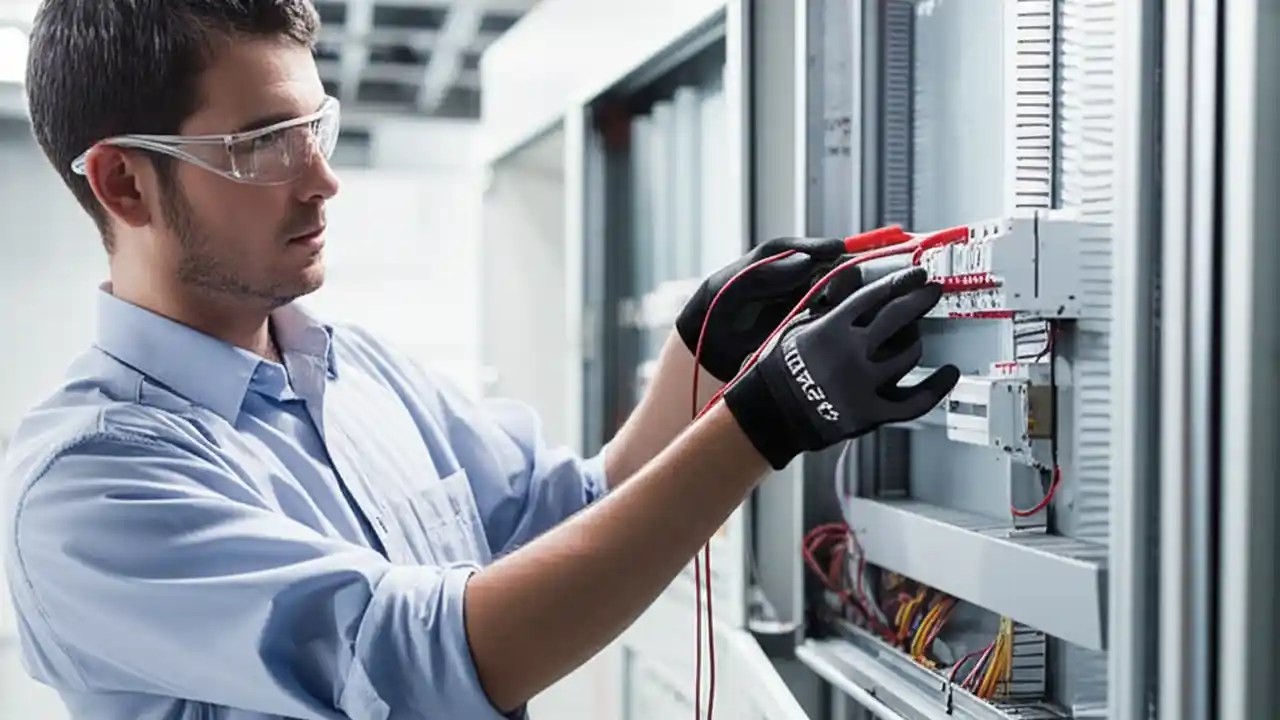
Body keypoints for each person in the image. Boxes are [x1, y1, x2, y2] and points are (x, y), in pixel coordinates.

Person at [1, 2, 960, 719]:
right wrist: (764, 423)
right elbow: (426, 657)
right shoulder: (90, 487)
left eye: (313, 128)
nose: (323, 180)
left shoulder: (357, 372)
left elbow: (571, 516)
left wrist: (700, 358)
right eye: (263, 146)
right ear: (124, 181)